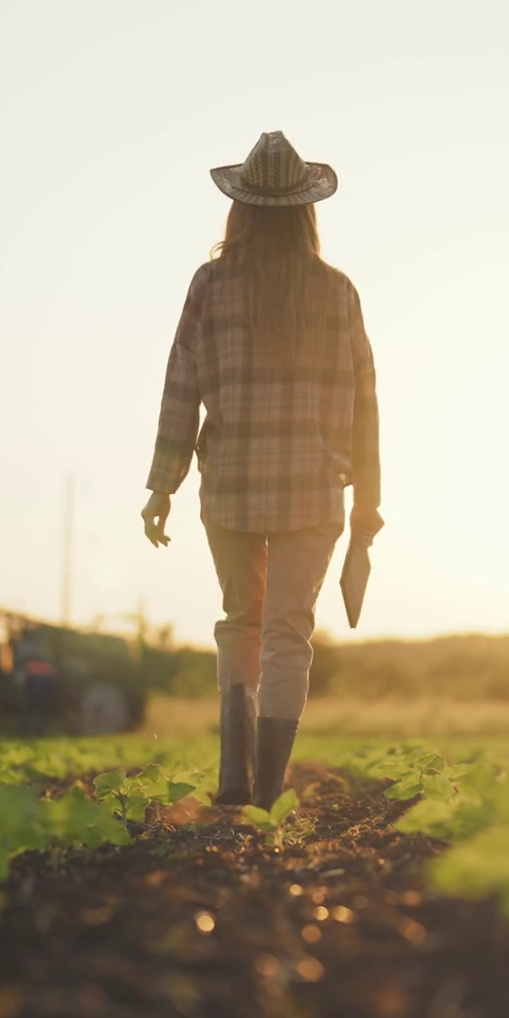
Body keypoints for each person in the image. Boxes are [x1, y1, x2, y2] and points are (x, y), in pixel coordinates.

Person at [140, 131, 382, 811]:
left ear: (240, 208)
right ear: (307, 210)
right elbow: (367, 405)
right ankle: (267, 795)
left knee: (240, 622)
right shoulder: (337, 292)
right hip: (314, 487)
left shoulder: (210, 284)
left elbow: (179, 386)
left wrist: (163, 483)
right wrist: (369, 501)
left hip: (230, 487)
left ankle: (232, 782)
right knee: (286, 634)